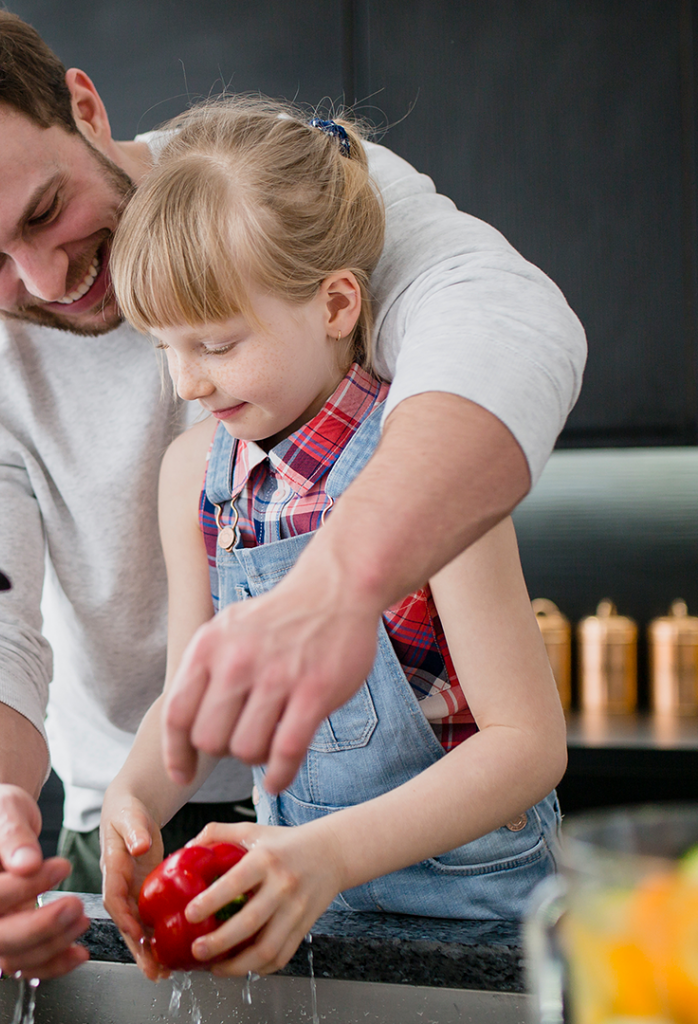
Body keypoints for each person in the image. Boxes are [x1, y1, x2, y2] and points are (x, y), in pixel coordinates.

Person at [0, 5, 585, 980]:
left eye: (41, 210)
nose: (49, 277)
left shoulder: (277, 185)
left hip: (450, 879)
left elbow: (503, 318)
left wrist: (341, 586)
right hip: (185, 833)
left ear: (85, 109)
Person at [99, 97, 567, 978]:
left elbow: (527, 747)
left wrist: (328, 855)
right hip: (301, 912)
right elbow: (189, 702)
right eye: (164, 348)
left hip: (480, 916)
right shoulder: (192, 477)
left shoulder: (428, 462)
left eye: (218, 343)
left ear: (336, 304)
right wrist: (136, 791)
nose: (188, 382)